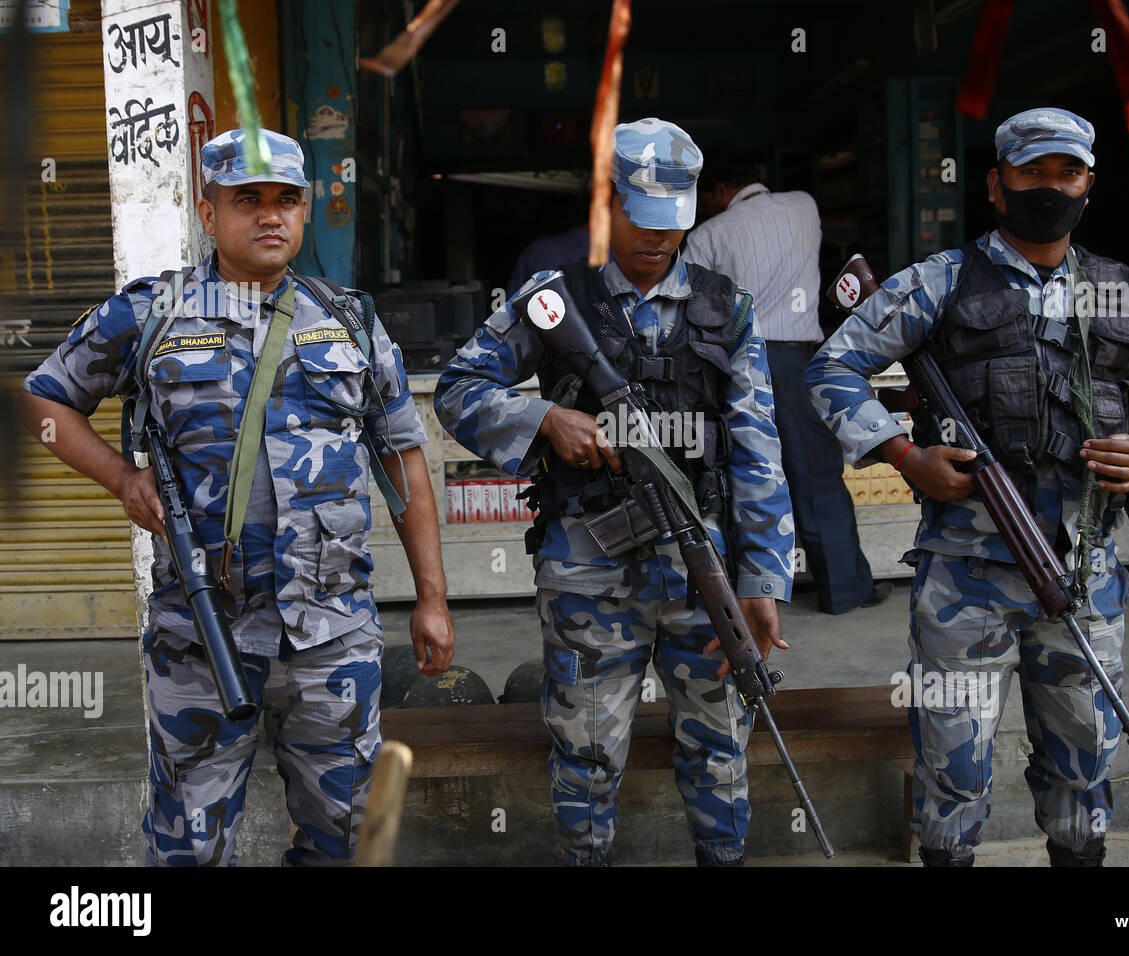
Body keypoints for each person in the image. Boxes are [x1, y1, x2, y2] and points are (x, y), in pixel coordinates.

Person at [18, 128, 455, 866]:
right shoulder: (151, 315)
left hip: (331, 638)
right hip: (200, 639)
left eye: (287, 199)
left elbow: (404, 456)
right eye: (245, 199)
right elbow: (41, 407)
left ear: (306, 210)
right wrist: (121, 478)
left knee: (348, 844)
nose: (269, 216)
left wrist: (433, 597)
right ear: (208, 211)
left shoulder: (349, 318)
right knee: (189, 848)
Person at [806, 108, 1129, 866]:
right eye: (1033, 173)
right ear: (996, 183)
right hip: (966, 582)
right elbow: (831, 367)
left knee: (1084, 765)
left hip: (1084, 576)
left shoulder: (1115, 292)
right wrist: (900, 454)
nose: (1051, 188)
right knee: (953, 772)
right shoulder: (941, 283)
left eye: (1067, 173)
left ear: (1088, 185)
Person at [433, 118, 794, 866]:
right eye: (641, 218)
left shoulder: (730, 308)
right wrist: (543, 417)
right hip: (588, 572)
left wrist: (764, 579)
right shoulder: (553, 301)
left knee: (722, 751)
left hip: (707, 571)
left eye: (672, 224)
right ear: (609, 203)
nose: (656, 239)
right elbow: (458, 389)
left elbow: (758, 446)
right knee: (587, 755)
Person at [684, 149, 889, 614]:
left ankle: (746, 595)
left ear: (718, 193)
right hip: (800, 362)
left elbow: (693, 306)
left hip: (737, 365)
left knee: (740, 477)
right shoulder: (803, 206)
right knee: (816, 478)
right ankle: (845, 590)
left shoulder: (708, 233)